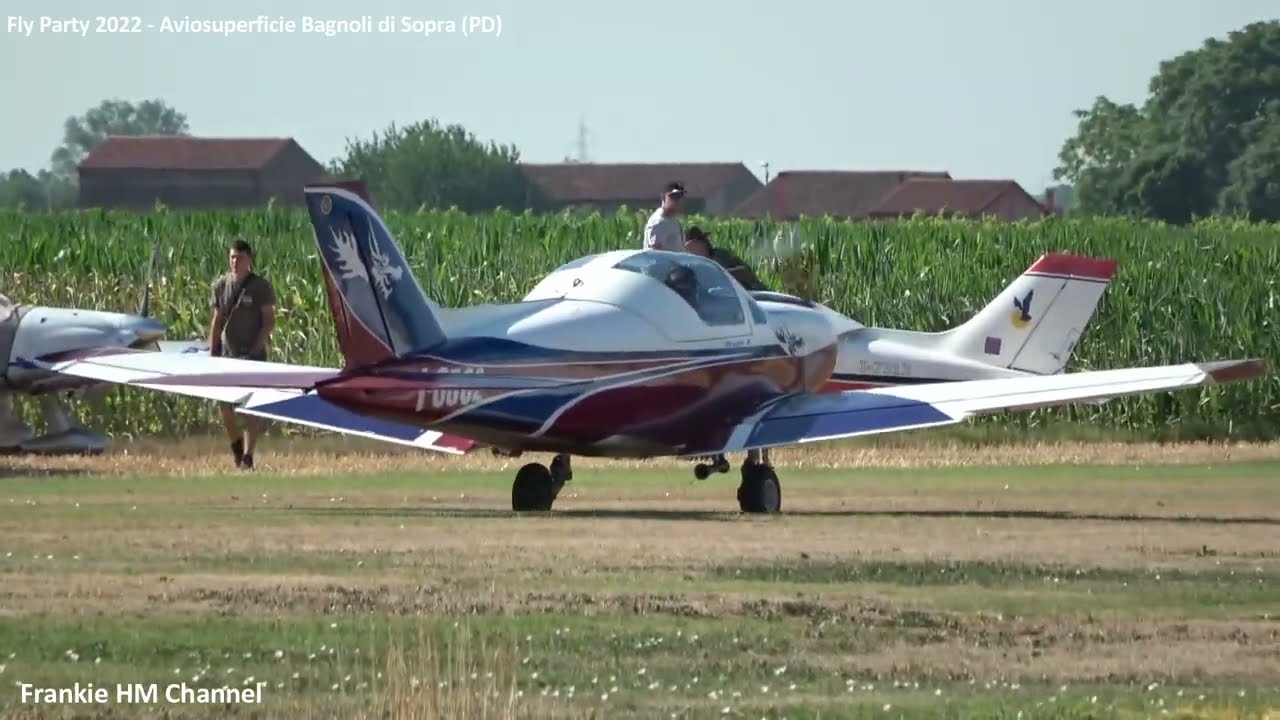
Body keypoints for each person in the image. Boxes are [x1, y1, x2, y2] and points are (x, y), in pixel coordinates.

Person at [207, 239, 276, 470]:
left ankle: (248, 455)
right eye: (232, 257)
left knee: (250, 408)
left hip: (252, 357)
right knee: (224, 406)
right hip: (227, 355)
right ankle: (236, 446)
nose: (235, 262)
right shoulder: (221, 286)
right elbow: (217, 321)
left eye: (240, 258)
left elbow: (268, 321)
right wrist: (212, 352)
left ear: (249, 260)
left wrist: (256, 348)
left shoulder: (260, 287)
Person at [683, 226, 769, 291]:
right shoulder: (694, 264)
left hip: (750, 291)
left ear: (703, 243)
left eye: (695, 246)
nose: (693, 251)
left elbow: (743, 271)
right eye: (689, 249)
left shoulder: (720, 256)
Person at [643, 181, 686, 252]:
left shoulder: (673, 220)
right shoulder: (658, 221)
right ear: (663, 198)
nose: (677, 201)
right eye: (673, 197)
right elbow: (654, 252)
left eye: (680, 197)